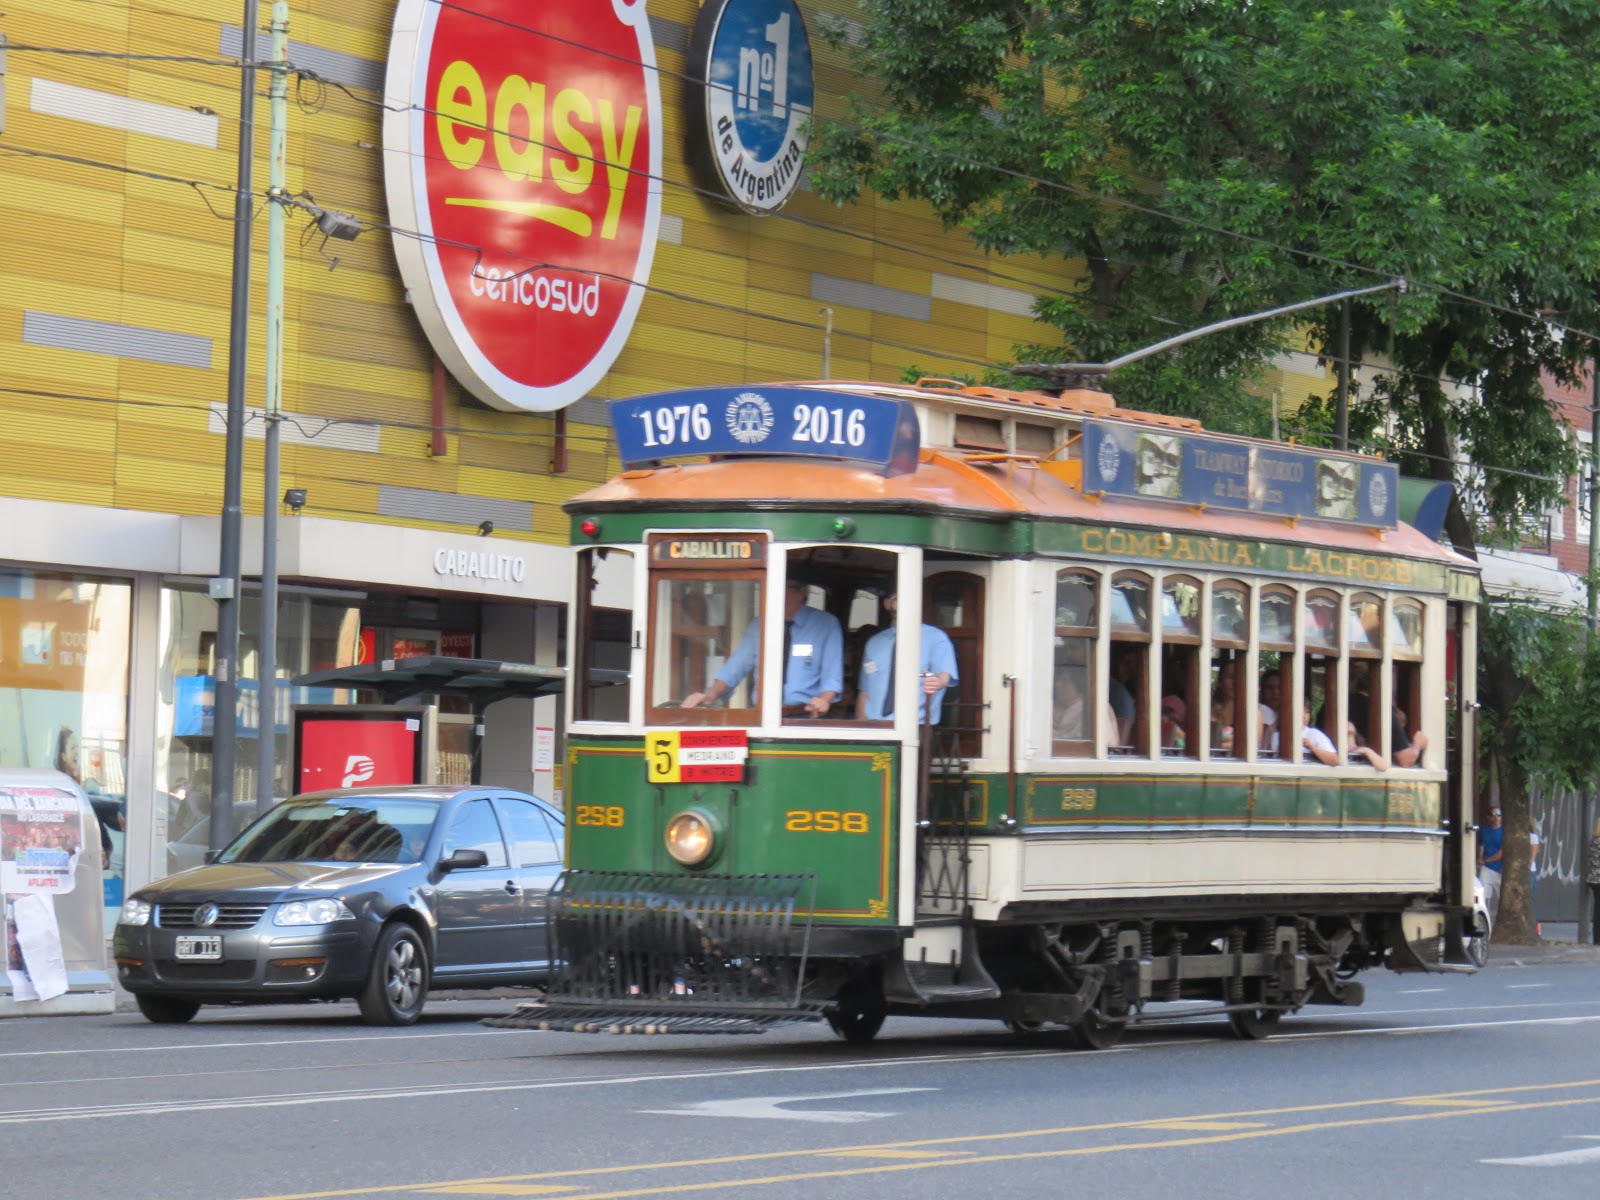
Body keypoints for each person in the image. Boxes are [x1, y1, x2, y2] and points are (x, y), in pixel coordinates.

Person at [684, 579, 843, 716]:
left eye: (782, 586)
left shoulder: (826, 625)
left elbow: (832, 678)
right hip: (762, 715)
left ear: (801, 592)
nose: (774, 592)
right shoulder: (760, 625)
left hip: (805, 714)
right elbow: (735, 668)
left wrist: (823, 701)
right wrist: (709, 695)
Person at [856, 589, 957, 723]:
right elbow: (865, 692)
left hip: (916, 727)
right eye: (899, 598)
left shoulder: (936, 638)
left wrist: (935, 682)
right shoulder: (874, 643)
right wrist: (861, 728)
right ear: (887, 604)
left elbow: (943, 676)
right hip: (875, 726)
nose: (906, 602)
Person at [1478, 805, 1504, 925]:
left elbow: (1502, 852)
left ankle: (1499, 921)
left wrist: (1486, 860)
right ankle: (1485, 921)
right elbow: (1480, 845)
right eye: (1493, 815)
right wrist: (1479, 857)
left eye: (1498, 815)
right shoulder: (1484, 830)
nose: (1496, 818)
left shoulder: (1504, 831)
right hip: (1486, 868)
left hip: (1500, 868)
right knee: (1484, 895)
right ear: (1489, 817)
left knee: (1501, 897)